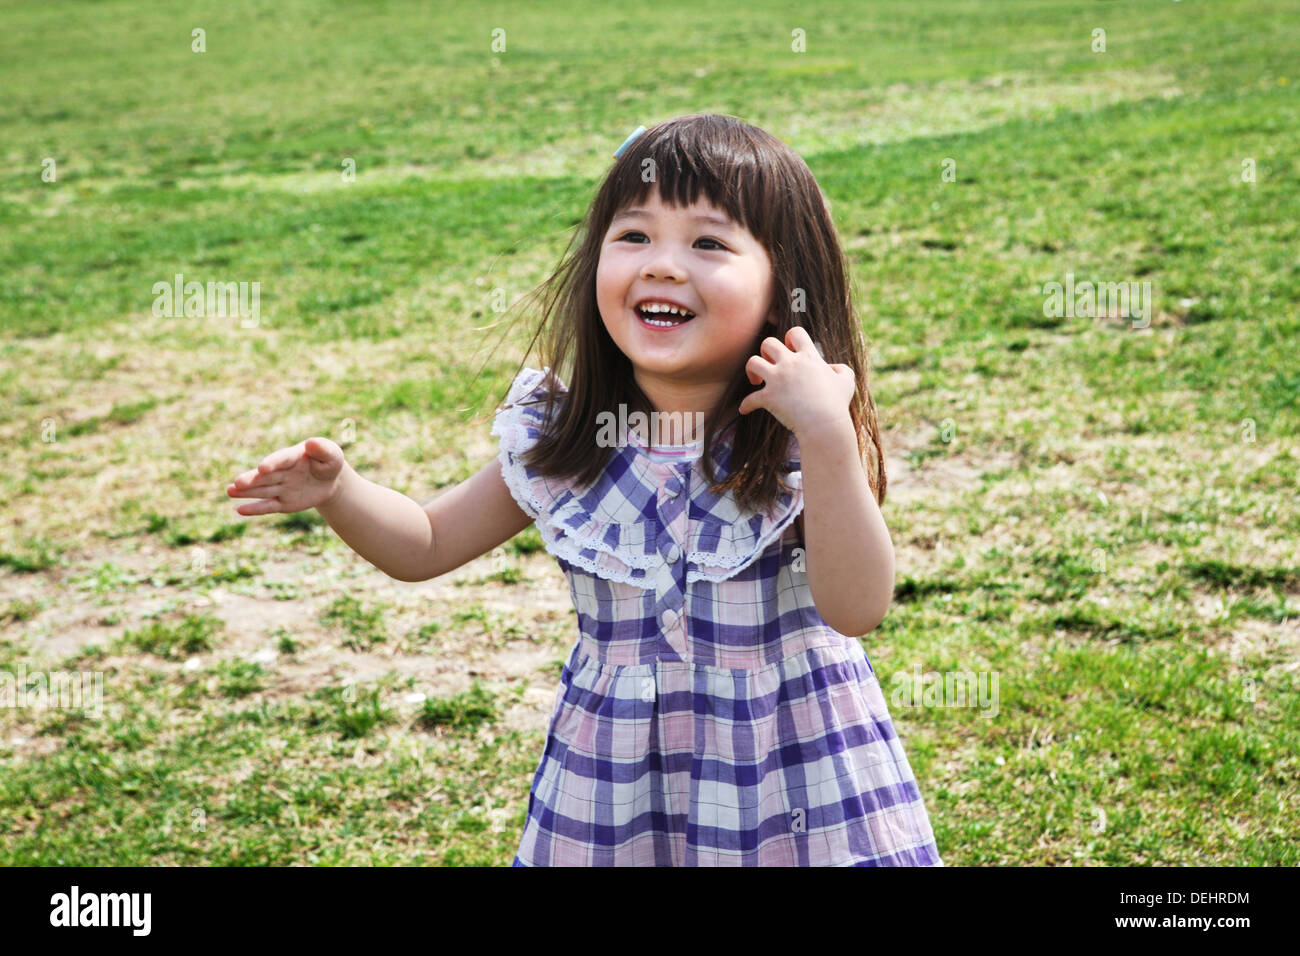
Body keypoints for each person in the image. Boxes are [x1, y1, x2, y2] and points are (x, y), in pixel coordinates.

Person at [227, 113, 943, 866]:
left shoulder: (801, 435)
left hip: (795, 781)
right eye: (633, 236)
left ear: (780, 288)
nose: (662, 265)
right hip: (615, 787)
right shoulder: (567, 440)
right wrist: (342, 490)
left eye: (708, 242)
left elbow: (856, 608)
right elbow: (425, 545)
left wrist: (829, 434)